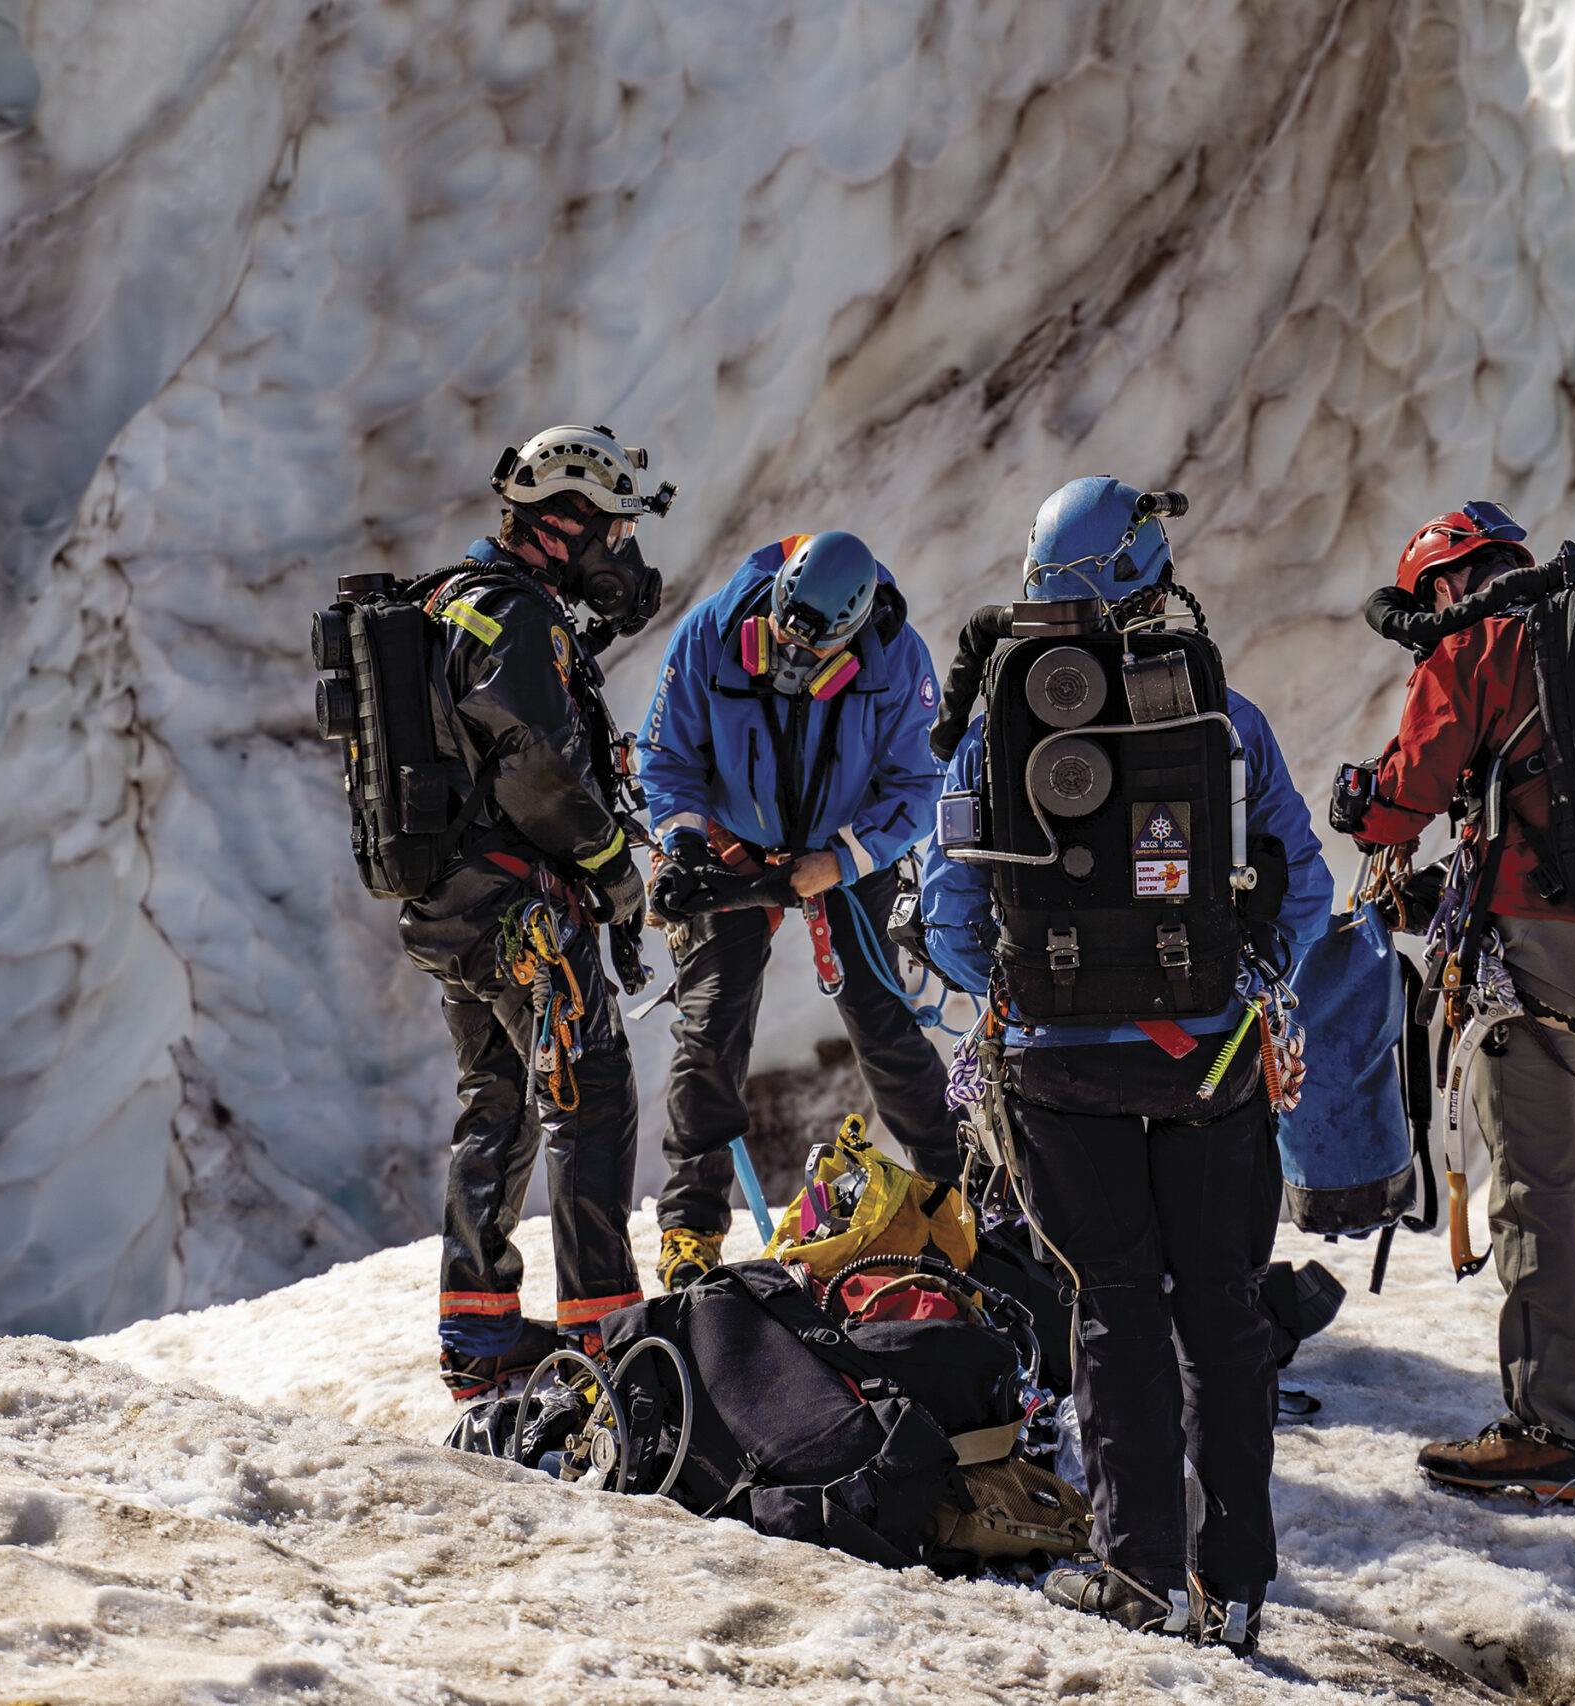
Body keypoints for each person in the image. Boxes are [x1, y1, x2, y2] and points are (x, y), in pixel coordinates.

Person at [920, 477, 1331, 1655]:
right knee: (1223, 1312)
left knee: (1112, 1310)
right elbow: (1302, 884)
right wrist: (1237, 973)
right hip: (1208, 1066)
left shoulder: (1003, 728)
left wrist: (1029, 986)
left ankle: (1137, 1568)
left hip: (1058, 1072)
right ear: (1145, 575)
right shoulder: (1224, 721)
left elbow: (948, 915)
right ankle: (1234, 1584)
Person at [1347, 501, 1575, 1500]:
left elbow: (1403, 791)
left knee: (1536, 1188)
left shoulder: (1478, 638)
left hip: (1536, 953)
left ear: (1443, 581)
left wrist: (1355, 800)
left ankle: (1546, 1428)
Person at [405, 425, 669, 1402]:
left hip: (451, 907)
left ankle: (477, 1335)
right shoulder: (511, 616)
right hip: (517, 902)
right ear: (558, 523)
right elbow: (534, 763)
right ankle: (609, 1338)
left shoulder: (445, 603)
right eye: (606, 527)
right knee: (589, 1092)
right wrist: (609, 868)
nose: (618, 549)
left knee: (501, 1100)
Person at [636, 530, 956, 1291]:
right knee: (712, 1023)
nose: (790, 656)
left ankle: (955, 1186)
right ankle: (690, 1225)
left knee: (881, 1021)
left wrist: (842, 861)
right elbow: (668, 756)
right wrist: (680, 843)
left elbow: (916, 785)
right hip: (729, 845)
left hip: (847, 851)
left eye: (812, 650)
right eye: (783, 635)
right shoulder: (711, 634)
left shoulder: (898, 659)